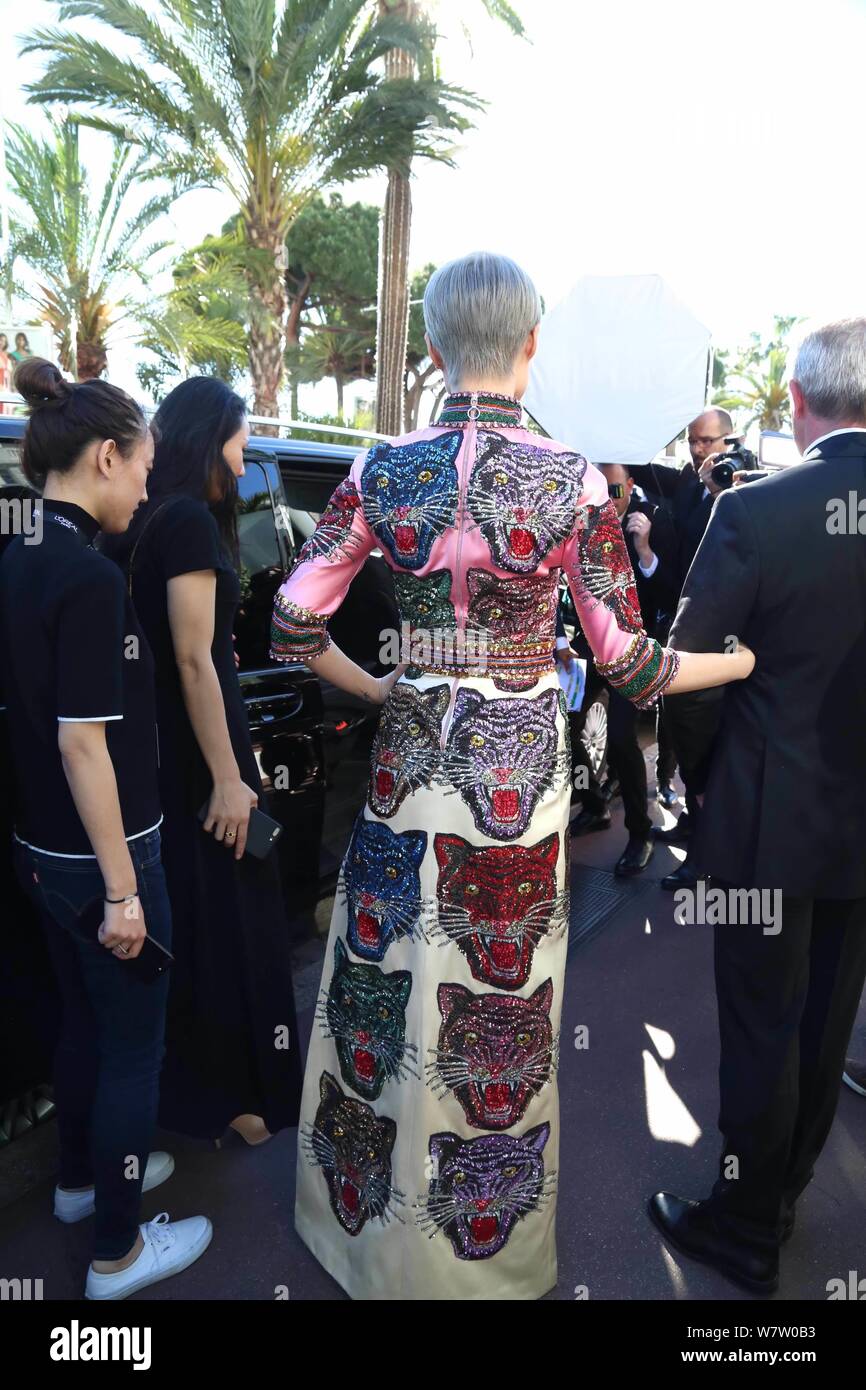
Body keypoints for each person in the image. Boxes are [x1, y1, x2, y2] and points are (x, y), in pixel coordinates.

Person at [270, 251, 754, 1301]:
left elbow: (293, 620)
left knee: (382, 986)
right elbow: (628, 663)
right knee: (499, 1000)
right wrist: (740, 660)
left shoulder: (378, 468)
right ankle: (470, 1266)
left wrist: (380, 689)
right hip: (515, 767)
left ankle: (362, 1236)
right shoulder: (572, 480)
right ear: (531, 345)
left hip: (408, 760)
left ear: (435, 346)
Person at [648, 318, 866, 1296]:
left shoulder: (753, 511)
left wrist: (698, 791)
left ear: (794, 402)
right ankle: (776, 1197)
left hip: (762, 818)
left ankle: (744, 1222)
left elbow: (688, 679)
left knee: (759, 1025)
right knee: (823, 1021)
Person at [0, 358, 211, 1300]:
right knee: (132, 1050)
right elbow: (83, 744)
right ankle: (119, 1254)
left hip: (40, 854)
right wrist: (126, 890)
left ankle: (86, 1185)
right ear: (106, 456)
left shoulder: (18, 551)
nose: (145, 488)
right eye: (140, 470)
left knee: (85, 1027)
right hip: (101, 858)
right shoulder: (84, 574)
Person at [102, 377, 302, 1145]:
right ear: (208, 434)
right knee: (232, 929)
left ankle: (204, 1105)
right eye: (240, 435)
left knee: (195, 933)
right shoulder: (186, 522)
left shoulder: (140, 519)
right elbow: (196, 662)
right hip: (200, 762)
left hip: (157, 760)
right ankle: (236, 1107)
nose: (246, 452)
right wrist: (230, 777)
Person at [569, 463, 677, 876]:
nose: (607, 495)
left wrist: (645, 549)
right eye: (599, 486)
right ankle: (595, 804)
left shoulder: (656, 521)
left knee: (618, 737)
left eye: (615, 488)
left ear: (631, 486)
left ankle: (639, 831)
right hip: (589, 647)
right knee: (566, 725)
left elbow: (671, 592)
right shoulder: (584, 517)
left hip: (633, 648)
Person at [652, 407, 735, 890]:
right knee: (682, 738)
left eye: (707, 441)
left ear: (728, 441)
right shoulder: (682, 484)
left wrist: (720, 489)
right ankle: (691, 823)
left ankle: (705, 853)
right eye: (692, 440)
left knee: (709, 751)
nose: (699, 450)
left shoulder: (742, 491)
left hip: (719, 644)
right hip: (680, 635)